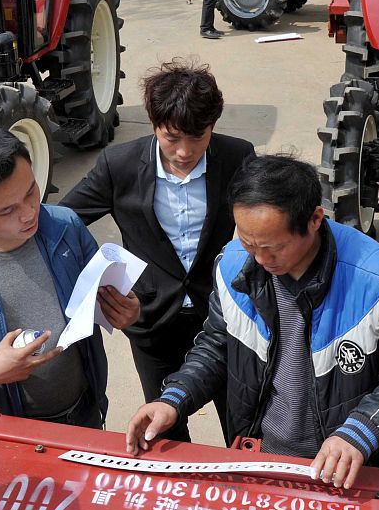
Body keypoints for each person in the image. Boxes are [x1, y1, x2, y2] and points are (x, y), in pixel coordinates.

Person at [125, 155, 379, 490]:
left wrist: (362, 429)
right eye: (249, 243)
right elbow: (217, 345)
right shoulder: (233, 264)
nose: (260, 259)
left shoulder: (376, 280)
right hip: (260, 451)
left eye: (273, 247)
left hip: (342, 464)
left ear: (314, 219)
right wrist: (174, 397)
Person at [61, 59, 254, 444]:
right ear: (154, 124)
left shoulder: (238, 157)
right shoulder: (119, 166)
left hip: (222, 319)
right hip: (150, 321)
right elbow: (63, 222)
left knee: (242, 427)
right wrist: (98, 282)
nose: (184, 151)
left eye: (198, 137)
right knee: (165, 430)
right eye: (172, 138)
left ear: (213, 125)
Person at [0, 125, 140, 434]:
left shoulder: (65, 227)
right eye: (7, 210)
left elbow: (97, 299)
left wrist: (125, 311)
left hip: (85, 410)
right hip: (10, 431)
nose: (29, 213)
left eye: (31, 191)